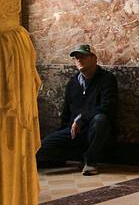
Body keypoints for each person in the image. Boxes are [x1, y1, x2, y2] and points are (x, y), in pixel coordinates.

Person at [35, 44, 118, 175]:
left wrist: (82, 119)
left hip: (94, 130)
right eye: (76, 57)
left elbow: (107, 107)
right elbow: (66, 113)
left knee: (100, 119)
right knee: (39, 150)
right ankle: (68, 158)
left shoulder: (107, 79)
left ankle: (90, 162)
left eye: (83, 56)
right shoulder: (73, 82)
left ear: (94, 58)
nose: (79, 60)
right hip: (74, 131)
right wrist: (60, 136)